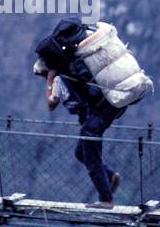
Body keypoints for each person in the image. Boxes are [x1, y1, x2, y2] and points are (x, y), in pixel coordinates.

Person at [33, 50, 124, 210]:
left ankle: (106, 199)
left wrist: (49, 80)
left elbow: (51, 104)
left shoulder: (59, 80)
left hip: (93, 121)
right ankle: (110, 176)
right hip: (97, 117)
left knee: (92, 159)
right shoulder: (70, 75)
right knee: (81, 153)